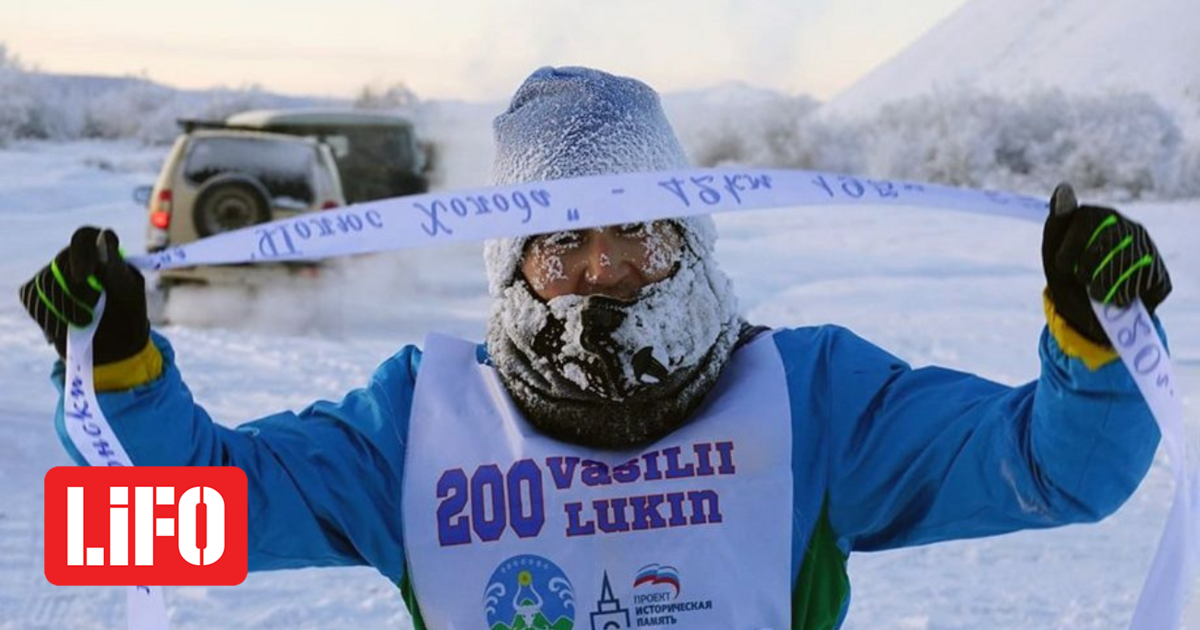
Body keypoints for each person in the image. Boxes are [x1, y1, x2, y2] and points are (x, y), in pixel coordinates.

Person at [21, 66, 1173, 630]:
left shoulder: (812, 399)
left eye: (639, 230)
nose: (605, 268)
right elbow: (160, 524)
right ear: (510, 264)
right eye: (561, 239)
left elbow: (1060, 469)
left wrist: (1093, 342)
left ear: (691, 235)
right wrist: (116, 367)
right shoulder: (416, 426)